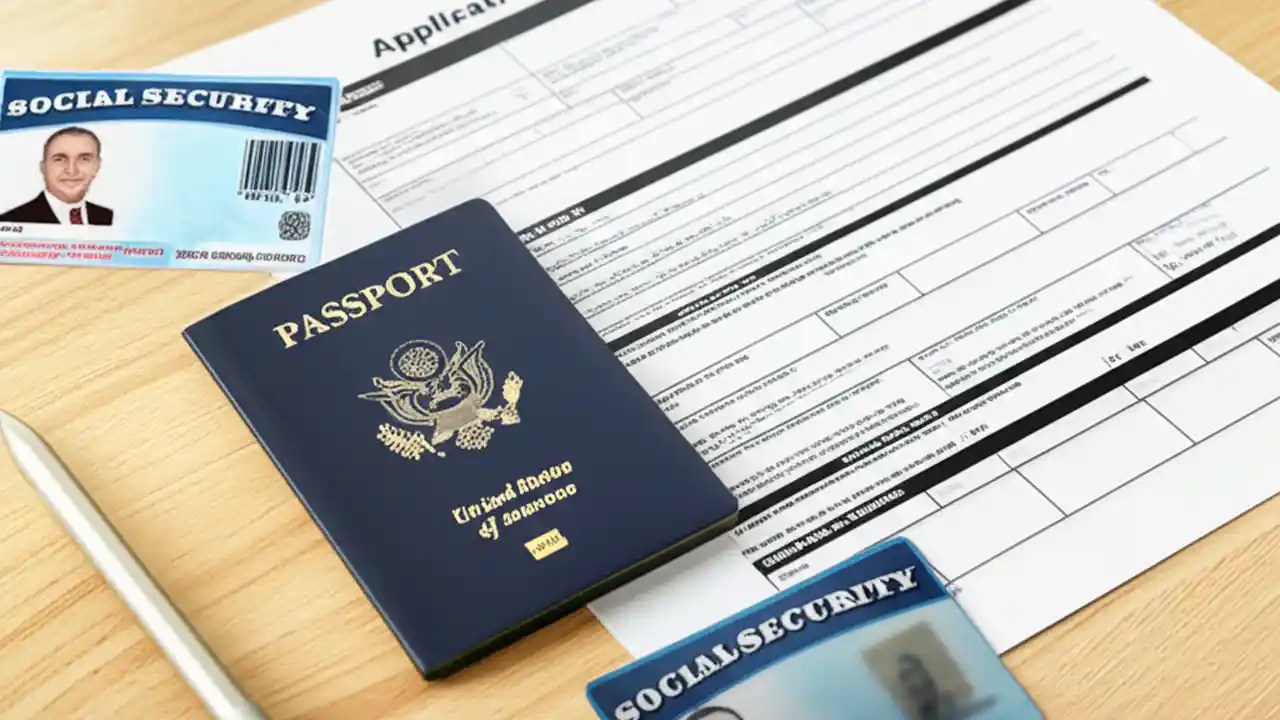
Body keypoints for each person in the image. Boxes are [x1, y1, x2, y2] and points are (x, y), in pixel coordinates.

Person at [0, 126, 113, 225]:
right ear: (43, 167)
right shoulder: (9, 222)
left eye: (84, 159)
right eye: (59, 159)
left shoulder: (108, 218)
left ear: (97, 166)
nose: (71, 170)